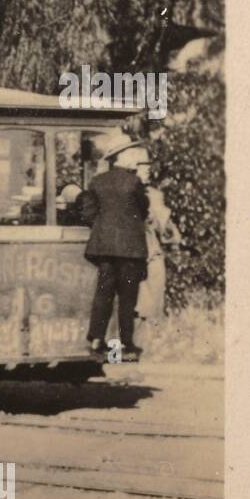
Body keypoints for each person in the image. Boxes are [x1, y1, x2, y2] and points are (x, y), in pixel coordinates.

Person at [78, 137, 149, 362]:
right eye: (131, 155)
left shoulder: (97, 181)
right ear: (121, 158)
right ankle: (126, 343)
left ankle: (96, 339)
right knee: (127, 297)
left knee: (104, 294)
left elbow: (87, 213)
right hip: (130, 250)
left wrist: (103, 228)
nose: (135, 159)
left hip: (105, 248)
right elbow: (143, 210)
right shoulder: (134, 182)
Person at [134, 155, 182, 322]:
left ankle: (150, 340)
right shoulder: (122, 192)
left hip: (151, 253)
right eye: (142, 165)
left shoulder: (154, 195)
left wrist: (164, 224)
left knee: (154, 302)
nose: (147, 169)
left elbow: (168, 232)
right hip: (131, 255)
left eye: (148, 166)